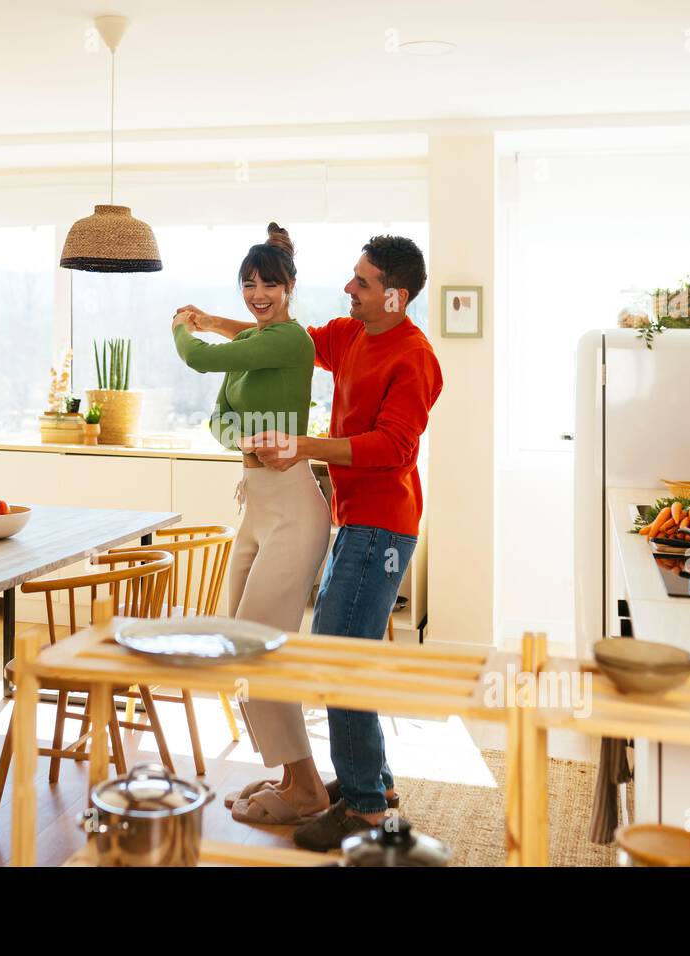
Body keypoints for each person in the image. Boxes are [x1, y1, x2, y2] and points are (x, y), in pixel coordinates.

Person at [181, 235, 442, 852]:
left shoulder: (415, 356)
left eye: (362, 281)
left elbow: (393, 447)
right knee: (337, 649)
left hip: (384, 523)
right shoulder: (352, 336)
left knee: (333, 655)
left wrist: (305, 446)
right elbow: (287, 337)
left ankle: (367, 811)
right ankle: (368, 781)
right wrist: (213, 320)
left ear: (394, 297)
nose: (350, 289)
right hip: (350, 516)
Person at [171, 222, 333, 825]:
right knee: (238, 643)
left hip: (292, 508)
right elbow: (219, 424)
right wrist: (245, 436)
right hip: (255, 503)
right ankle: (291, 774)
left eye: (269, 283)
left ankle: (308, 789)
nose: (258, 293)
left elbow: (199, 359)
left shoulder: (288, 340)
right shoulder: (259, 346)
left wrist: (182, 326)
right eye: (249, 284)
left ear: (290, 287)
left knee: (262, 647)